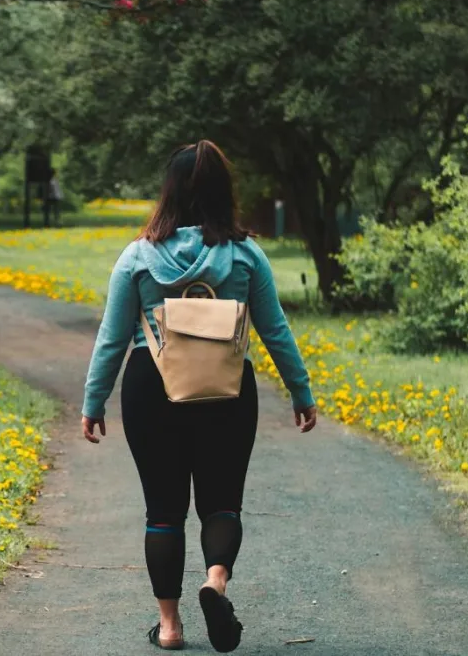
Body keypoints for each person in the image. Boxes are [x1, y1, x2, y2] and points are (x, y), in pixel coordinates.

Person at [80, 140, 317, 653]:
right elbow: (275, 330)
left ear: (168, 193)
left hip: (151, 386)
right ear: (222, 193)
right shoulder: (245, 254)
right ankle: (215, 583)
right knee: (221, 503)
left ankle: (168, 626)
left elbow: (113, 337)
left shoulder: (138, 256)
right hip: (227, 388)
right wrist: (301, 391)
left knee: (163, 511)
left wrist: (93, 401)